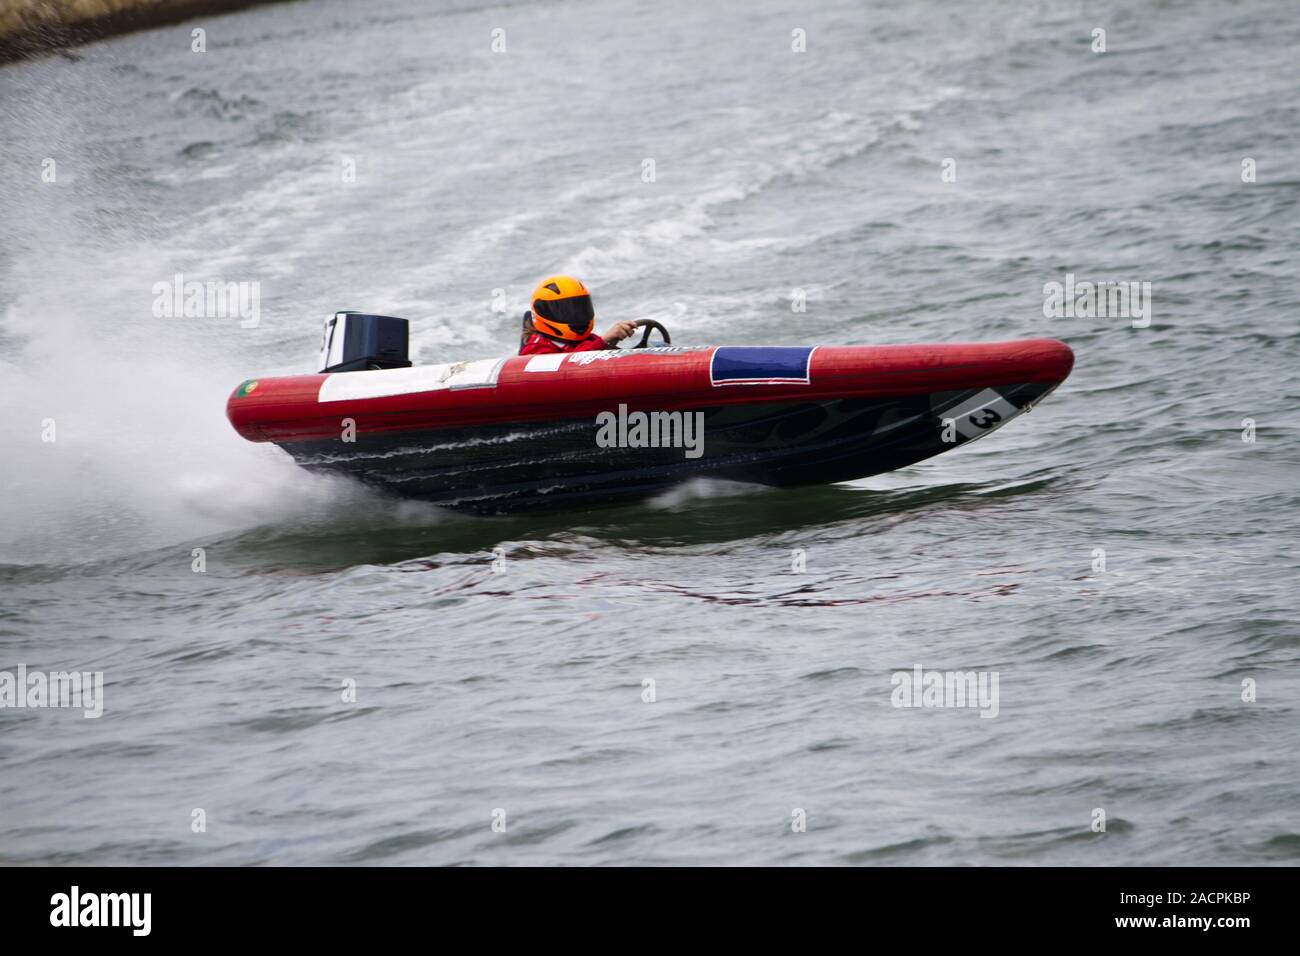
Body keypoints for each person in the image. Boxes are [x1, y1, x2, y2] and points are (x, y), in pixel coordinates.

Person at [518, 275, 636, 355]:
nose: (576, 315)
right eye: (566, 311)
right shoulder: (535, 349)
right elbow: (569, 368)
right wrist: (604, 341)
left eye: (579, 308)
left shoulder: (589, 339)